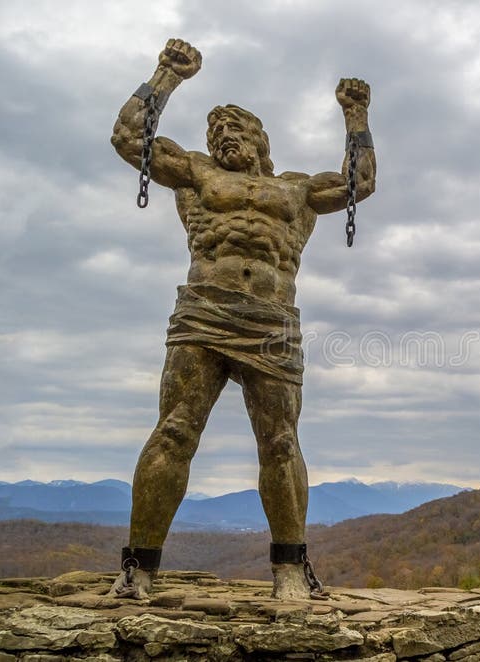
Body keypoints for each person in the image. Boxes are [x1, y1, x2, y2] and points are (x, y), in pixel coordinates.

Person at [106, 38, 375, 599]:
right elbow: (129, 138)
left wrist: (356, 116)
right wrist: (166, 75)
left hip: (273, 322)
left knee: (280, 442)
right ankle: (139, 568)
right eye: (216, 133)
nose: (224, 137)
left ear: (261, 142)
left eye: (237, 130)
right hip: (204, 313)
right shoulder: (197, 174)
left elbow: (360, 183)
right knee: (175, 431)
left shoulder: (298, 189)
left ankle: (290, 569)